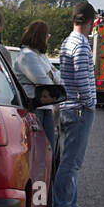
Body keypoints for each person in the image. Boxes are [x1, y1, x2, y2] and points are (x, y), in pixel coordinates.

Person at [53, 1, 97, 207]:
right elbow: (82, 79)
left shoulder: (67, 42)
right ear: (91, 22)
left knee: (71, 159)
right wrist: (90, 103)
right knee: (71, 161)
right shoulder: (81, 45)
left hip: (69, 108)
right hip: (79, 109)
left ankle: (71, 203)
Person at [13, 19, 64, 156]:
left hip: (46, 106)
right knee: (39, 153)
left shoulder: (39, 56)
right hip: (35, 107)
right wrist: (52, 76)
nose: (48, 38)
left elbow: (57, 76)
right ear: (40, 36)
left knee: (48, 152)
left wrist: (51, 75)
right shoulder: (28, 56)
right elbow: (44, 81)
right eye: (47, 35)